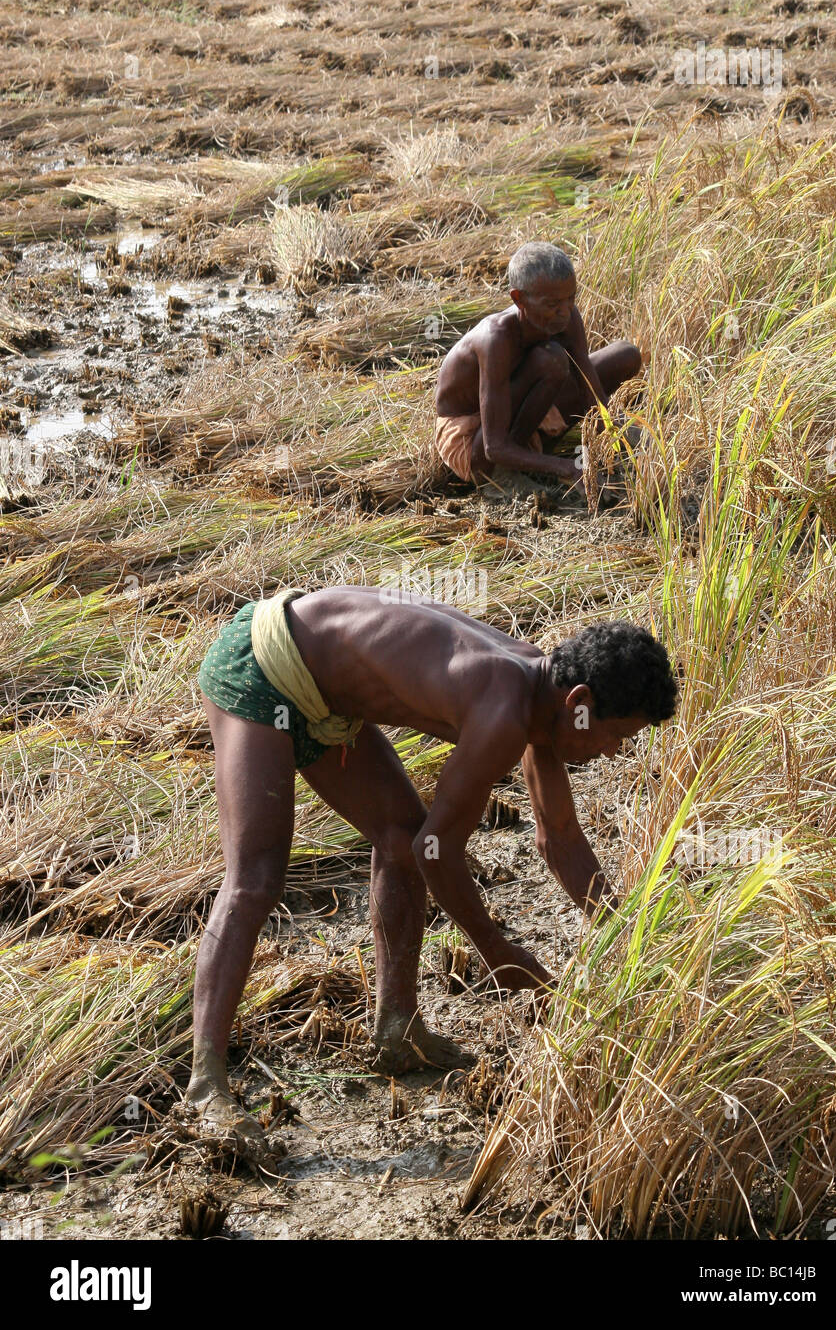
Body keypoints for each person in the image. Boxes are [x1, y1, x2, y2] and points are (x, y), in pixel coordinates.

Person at [187, 583, 677, 1158]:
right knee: (257, 878)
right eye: (617, 734)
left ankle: (396, 1031)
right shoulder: (503, 709)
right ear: (581, 703)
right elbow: (437, 850)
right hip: (266, 664)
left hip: (325, 701)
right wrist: (495, 949)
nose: (615, 751)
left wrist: (631, 937)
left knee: (396, 837)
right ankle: (205, 1086)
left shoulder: (540, 702)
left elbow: (561, 839)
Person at [434, 241, 643, 491]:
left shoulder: (566, 317)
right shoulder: (495, 340)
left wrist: (617, 437)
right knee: (551, 360)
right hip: (477, 444)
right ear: (519, 298)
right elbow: (494, 447)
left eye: (571, 299)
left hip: (526, 414)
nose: (565, 312)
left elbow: (591, 393)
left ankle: (528, 454)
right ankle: (505, 476)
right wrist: (568, 468)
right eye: (552, 305)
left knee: (625, 355)